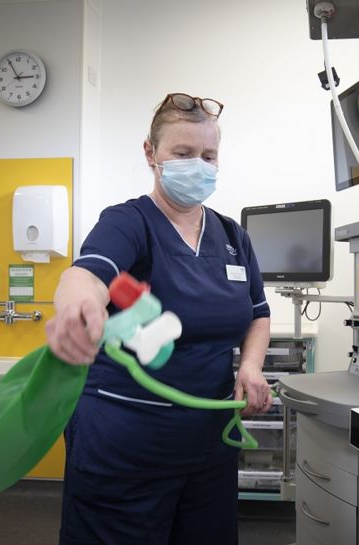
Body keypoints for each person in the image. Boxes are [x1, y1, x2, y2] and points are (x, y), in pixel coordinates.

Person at [45, 92, 272, 545]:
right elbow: (86, 275)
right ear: (151, 154)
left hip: (208, 442)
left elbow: (257, 314)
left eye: (208, 155)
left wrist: (250, 366)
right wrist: (76, 307)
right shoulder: (129, 223)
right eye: (183, 154)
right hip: (126, 441)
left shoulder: (232, 236)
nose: (199, 165)